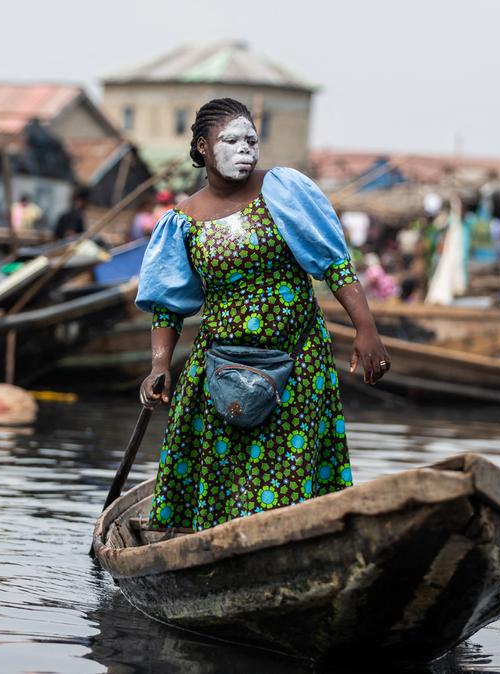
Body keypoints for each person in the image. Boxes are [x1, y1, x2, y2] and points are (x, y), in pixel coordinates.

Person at [136, 98, 390, 531]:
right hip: (221, 368)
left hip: (297, 361)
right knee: (220, 478)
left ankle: (292, 548)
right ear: (202, 147)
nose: (245, 150)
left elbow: (334, 264)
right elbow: (167, 305)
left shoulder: (283, 190)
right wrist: (160, 365)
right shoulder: (182, 220)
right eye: (231, 140)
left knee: (287, 484)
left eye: (252, 140)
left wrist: (366, 329)